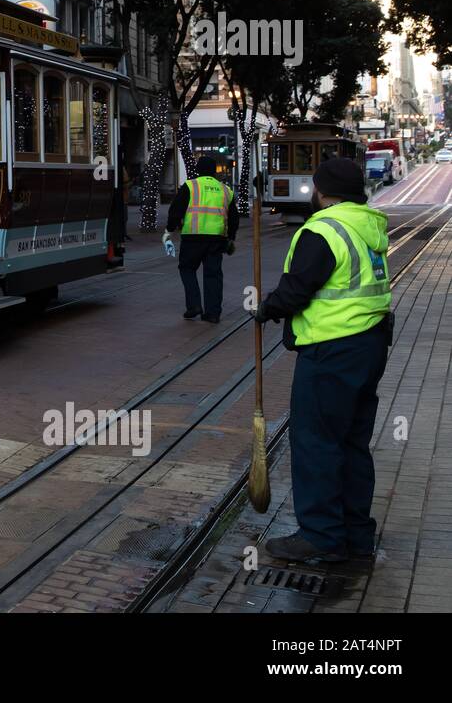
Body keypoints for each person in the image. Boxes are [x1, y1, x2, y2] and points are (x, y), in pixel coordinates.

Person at [254, 157, 392, 563]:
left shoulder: (323, 229)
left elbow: (298, 290)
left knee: (317, 442)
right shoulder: (369, 226)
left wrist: (267, 308)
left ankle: (321, 536)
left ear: (322, 190)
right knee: (352, 443)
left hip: (332, 350)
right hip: (370, 346)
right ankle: (356, 535)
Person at [165, 156, 239, 322]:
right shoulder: (226, 190)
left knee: (187, 269)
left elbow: (176, 210)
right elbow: (234, 218)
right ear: (214, 171)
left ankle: (194, 305)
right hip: (217, 239)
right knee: (213, 275)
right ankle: (213, 314)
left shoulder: (190, 186)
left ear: (197, 170)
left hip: (193, 237)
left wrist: (169, 229)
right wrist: (231, 238)